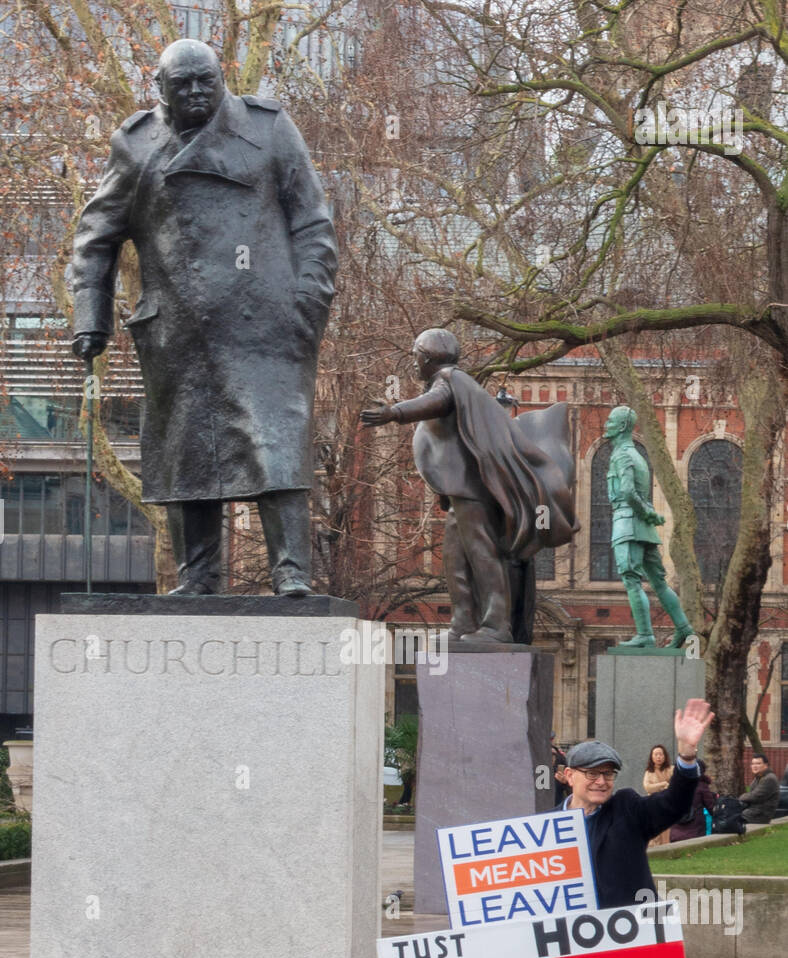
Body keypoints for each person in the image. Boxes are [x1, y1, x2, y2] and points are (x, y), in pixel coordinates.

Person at [71, 39, 337, 596]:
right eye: (182, 84)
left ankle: (291, 573)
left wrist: (308, 301)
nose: (195, 92)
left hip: (267, 325)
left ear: (224, 77)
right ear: (160, 89)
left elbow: (312, 220)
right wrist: (90, 316)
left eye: (205, 81)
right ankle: (197, 578)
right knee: (186, 453)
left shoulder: (267, 129)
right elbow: (96, 238)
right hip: (178, 330)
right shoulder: (137, 145)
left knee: (275, 442)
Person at [360, 330, 579, 644]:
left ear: (427, 357)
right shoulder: (454, 382)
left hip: (473, 492)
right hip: (460, 492)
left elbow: (436, 401)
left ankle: (496, 625)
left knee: (481, 552)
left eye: (414, 355)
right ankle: (463, 622)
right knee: (455, 558)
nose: (412, 363)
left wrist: (396, 412)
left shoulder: (451, 380)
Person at [561, 698, 714, 908]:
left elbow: (674, 803)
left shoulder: (627, 809)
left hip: (630, 933)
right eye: (592, 773)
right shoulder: (545, 827)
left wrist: (687, 755)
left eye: (608, 774)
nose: (602, 781)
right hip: (569, 934)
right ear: (569, 776)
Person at [605, 406, 694, 649]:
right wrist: (651, 515)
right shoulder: (639, 457)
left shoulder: (621, 455)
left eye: (611, 420)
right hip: (644, 529)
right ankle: (684, 627)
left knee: (631, 580)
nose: (606, 424)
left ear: (622, 426)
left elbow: (627, 492)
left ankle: (644, 634)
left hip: (627, 523)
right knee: (659, 583)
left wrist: (644, 512)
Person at [669, 758, 715, 842]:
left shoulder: (675, 784)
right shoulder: (702, 785)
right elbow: (711, 807)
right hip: (695, 831)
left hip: (676, 831)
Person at [643, 743, 674, 846]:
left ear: (665, 756)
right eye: (656, 754)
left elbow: (674, 785)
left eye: (661, 754)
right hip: (653, 805)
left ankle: (666, 848)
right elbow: (647, 787)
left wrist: (657, 787)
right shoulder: (649, 772)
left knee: (666, 830)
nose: (658, 757)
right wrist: (663, 784)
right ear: (651, 757)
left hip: (668, 804)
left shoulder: (671, 769)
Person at [739, 753, 780, 824]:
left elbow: (754, 797)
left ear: (766, 765)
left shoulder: (769, 779)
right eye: (753, 764)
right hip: (752, 812)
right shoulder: (759, 777)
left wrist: (741, 796)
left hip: (759, 816)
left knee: (728, 820)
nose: (754, 766)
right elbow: (751, 795)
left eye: (758, 763)